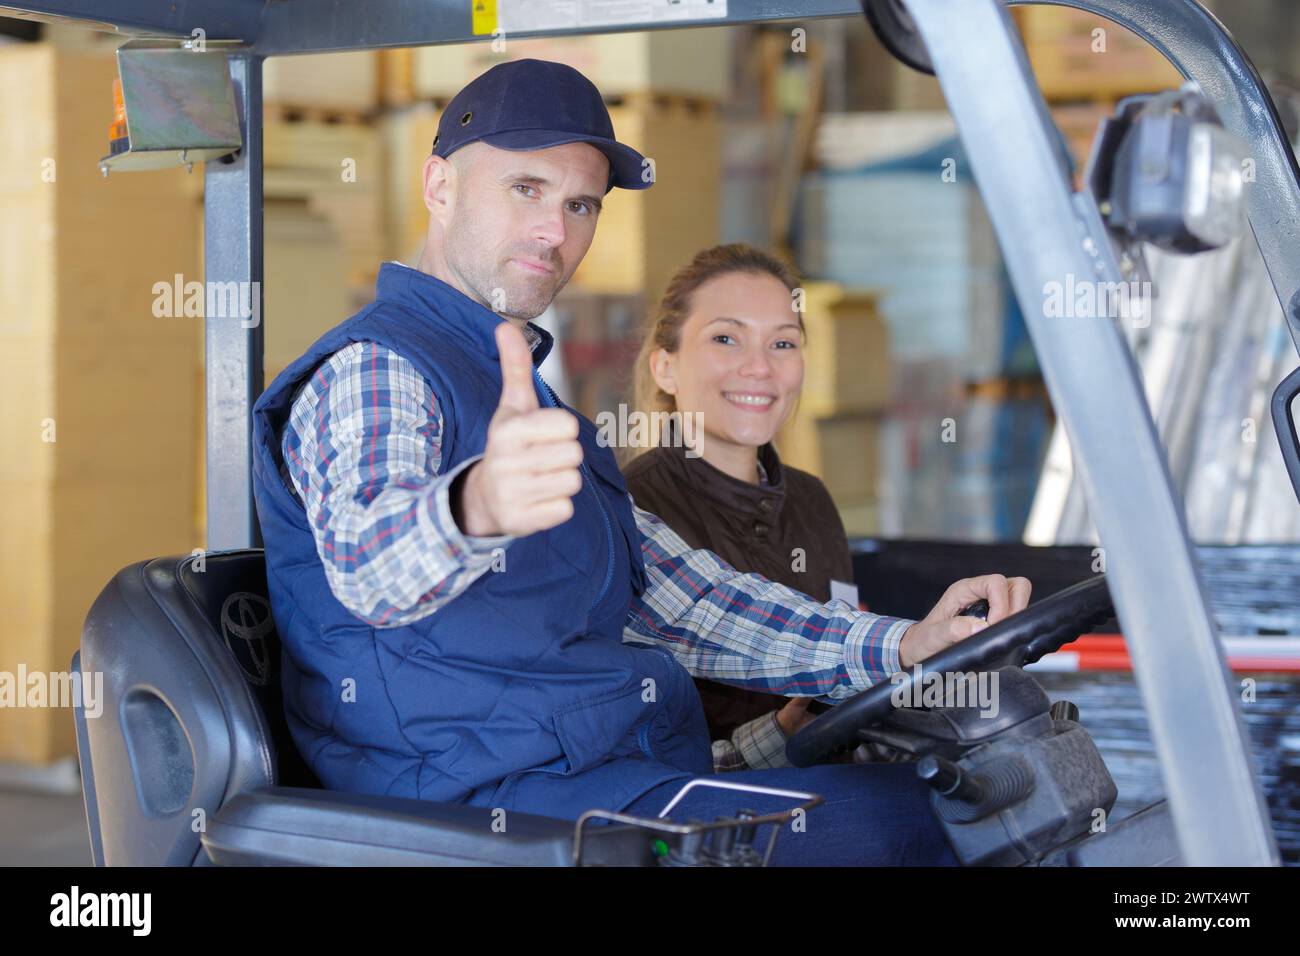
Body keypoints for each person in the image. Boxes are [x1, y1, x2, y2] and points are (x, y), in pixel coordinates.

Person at [250, 58, 1032, 865]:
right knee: (924, 825)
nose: (555, 232)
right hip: (482, 814)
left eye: (579, 204)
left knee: (972, 787)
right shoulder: (376, 370)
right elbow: (369, 561)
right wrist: (472, 509)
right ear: (440, 186)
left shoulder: (539, 411)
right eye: (526, 189)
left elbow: (687, 604)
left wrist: (904, 646)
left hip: (602, 779)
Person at [624, 242, 857, 771]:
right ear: (666, 367)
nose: (759, 368)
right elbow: (643, 759)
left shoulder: (812, 502)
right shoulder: (634, 511)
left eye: (783, 343)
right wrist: (781, 735)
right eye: (726, 338)